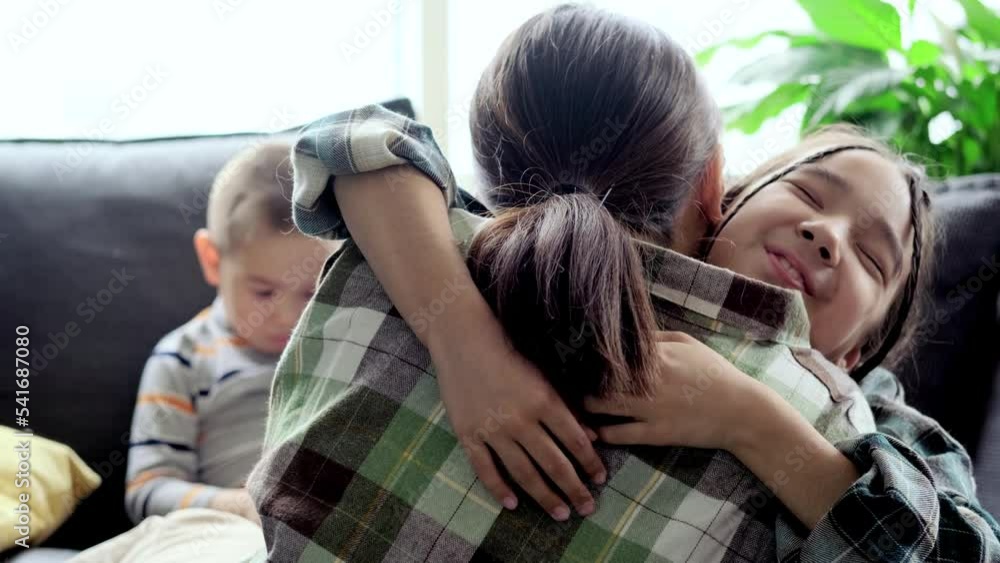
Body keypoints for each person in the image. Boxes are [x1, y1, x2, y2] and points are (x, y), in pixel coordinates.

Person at [249, 5, 999, 562]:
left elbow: (963, 548)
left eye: (873, 257)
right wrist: (467, 346)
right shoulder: (538, 255)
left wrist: (750, 418)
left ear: (863, 346)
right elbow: (368, 148)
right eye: (808, 195)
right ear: (720, 195)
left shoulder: (872, 422)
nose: (828, 235)